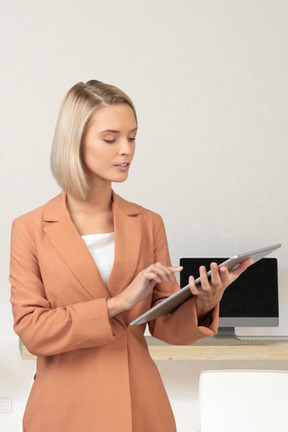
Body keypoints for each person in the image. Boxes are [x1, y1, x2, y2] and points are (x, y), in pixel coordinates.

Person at [9, 80, 252, 432]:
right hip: (63, 410)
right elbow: (33, 331)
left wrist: (204, 303)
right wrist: (117, 304)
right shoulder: (30, 228)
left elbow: (164, 325)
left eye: (133, 137)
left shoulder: (148, 223)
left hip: (139, 406)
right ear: (74, 141)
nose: (126, 150)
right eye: (111, 139)